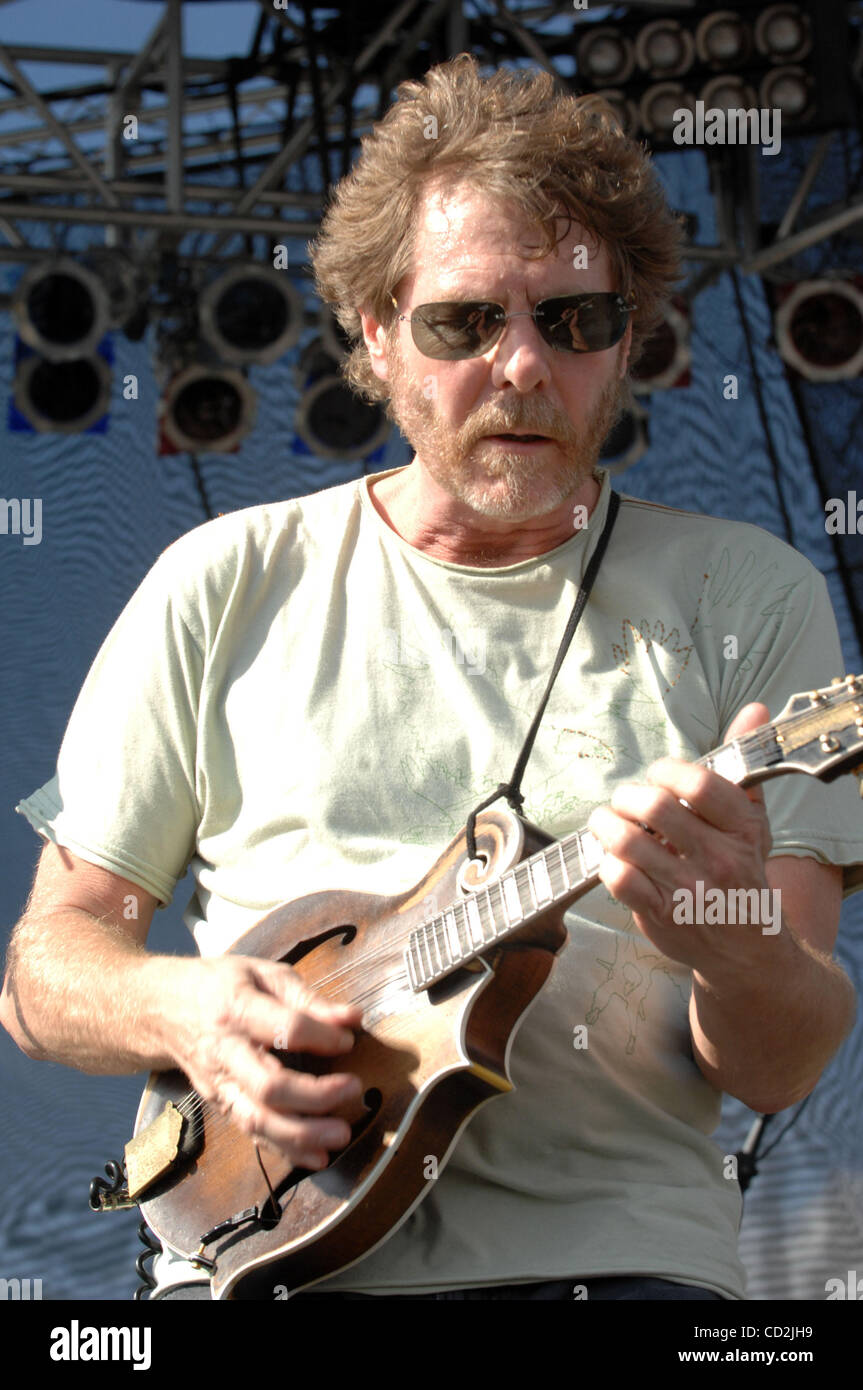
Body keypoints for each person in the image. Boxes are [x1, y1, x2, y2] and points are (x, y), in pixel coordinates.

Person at [2, 55, 861, 1303]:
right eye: (467, 322)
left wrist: (724, 933)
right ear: (374, 331)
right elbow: (45, 972)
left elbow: (778, 1064)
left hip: (617, 1268)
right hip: (250, 1269)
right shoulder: (220, 579)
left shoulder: (750, 594)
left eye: (572, 320)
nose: (522, 366)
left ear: (625, 343)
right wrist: (186, 1011)